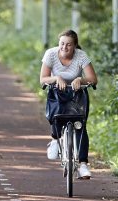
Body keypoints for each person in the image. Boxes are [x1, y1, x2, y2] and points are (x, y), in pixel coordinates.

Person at [39, 29, 98, 180]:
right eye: (62, 44)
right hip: (57, 93)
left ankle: (83, 164)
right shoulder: (50, 54)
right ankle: (54, 138)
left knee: (80, 125)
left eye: (69, 45)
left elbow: (93, 78)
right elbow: (43, 79)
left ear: (75, 46)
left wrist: (81, 80)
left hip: (76, 94)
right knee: (57, 117)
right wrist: (56, 78)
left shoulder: (81, 56)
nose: (64, 47)